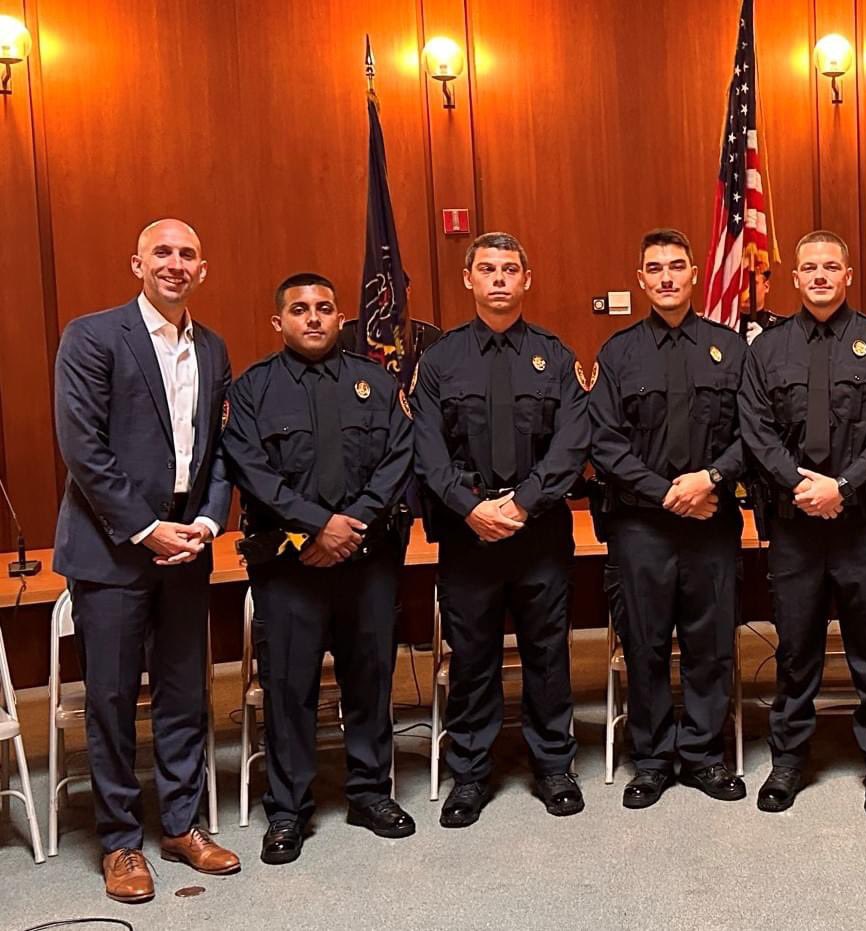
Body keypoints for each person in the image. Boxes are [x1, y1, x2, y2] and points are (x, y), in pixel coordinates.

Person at [52, 218, 239, 903]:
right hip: (112, 551)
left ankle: (182, 825)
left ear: (203, 269)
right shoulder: (93, 336)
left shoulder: (213, 347)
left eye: (188, 254)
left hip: (188, 548)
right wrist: (146, 528)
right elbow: (83, 445)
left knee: (185, 693)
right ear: (137, 264)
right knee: (110, 701)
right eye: (162, 252)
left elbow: (220, 450)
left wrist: (208, 522)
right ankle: (120, 841)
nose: (175, 263)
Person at [221, 273, 416, 864]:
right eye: (300, 309)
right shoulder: (252, 389)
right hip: (289, 566)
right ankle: (287, 809)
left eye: (324, 308)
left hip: (366, 559)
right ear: (278, 321)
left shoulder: (376, 382)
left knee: (370, 679)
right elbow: (250, 470)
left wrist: (348, 528)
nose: (313, 318)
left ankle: (370, 793)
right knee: (289, 687)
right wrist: (316, 526)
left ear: (339, 318)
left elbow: (398, 458)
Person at [412, 232, 591, 827]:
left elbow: (572, 443)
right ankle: (469, 773)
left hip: (537, 533)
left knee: (547, 654)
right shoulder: (439, 361)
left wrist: (522, 505)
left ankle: (554, 766)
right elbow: (426, 448)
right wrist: (470, 508)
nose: (498, 279)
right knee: (472, 657)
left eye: (509, 269)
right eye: (486, 269)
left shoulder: (554, 356)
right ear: (468, 279)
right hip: (468, 535)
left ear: (526, 280)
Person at [740, 230, 866, 814]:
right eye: (809, 267)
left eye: (831, 266)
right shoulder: (767, 350)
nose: (820, 275)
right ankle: (789, 759)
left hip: (862, 522)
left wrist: (842, 486)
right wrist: (802, 486)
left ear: (847, 275)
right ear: (795, 277)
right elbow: (756, 430)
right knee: (795, 647)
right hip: (794, 525)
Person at [589, 229, 748, 808]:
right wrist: (666, 494)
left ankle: (704, 754)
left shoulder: (730, 349)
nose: (666, 277)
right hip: (642, 527)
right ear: (641, 279)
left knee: (710, 643)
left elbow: (753, 434)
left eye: (676, 266)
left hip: (711, 520)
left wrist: (710, 480)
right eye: (654, 268)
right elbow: (604, 442)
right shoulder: (618, 353)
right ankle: (653, 759)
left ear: (695, 274)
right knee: (646, 643)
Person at [743, 269, 790, 345]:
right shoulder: (726, 326)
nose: (747, 290)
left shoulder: (782, 328)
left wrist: (765, 342)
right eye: (742, 284)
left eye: (753, 283)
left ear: (766, 286)